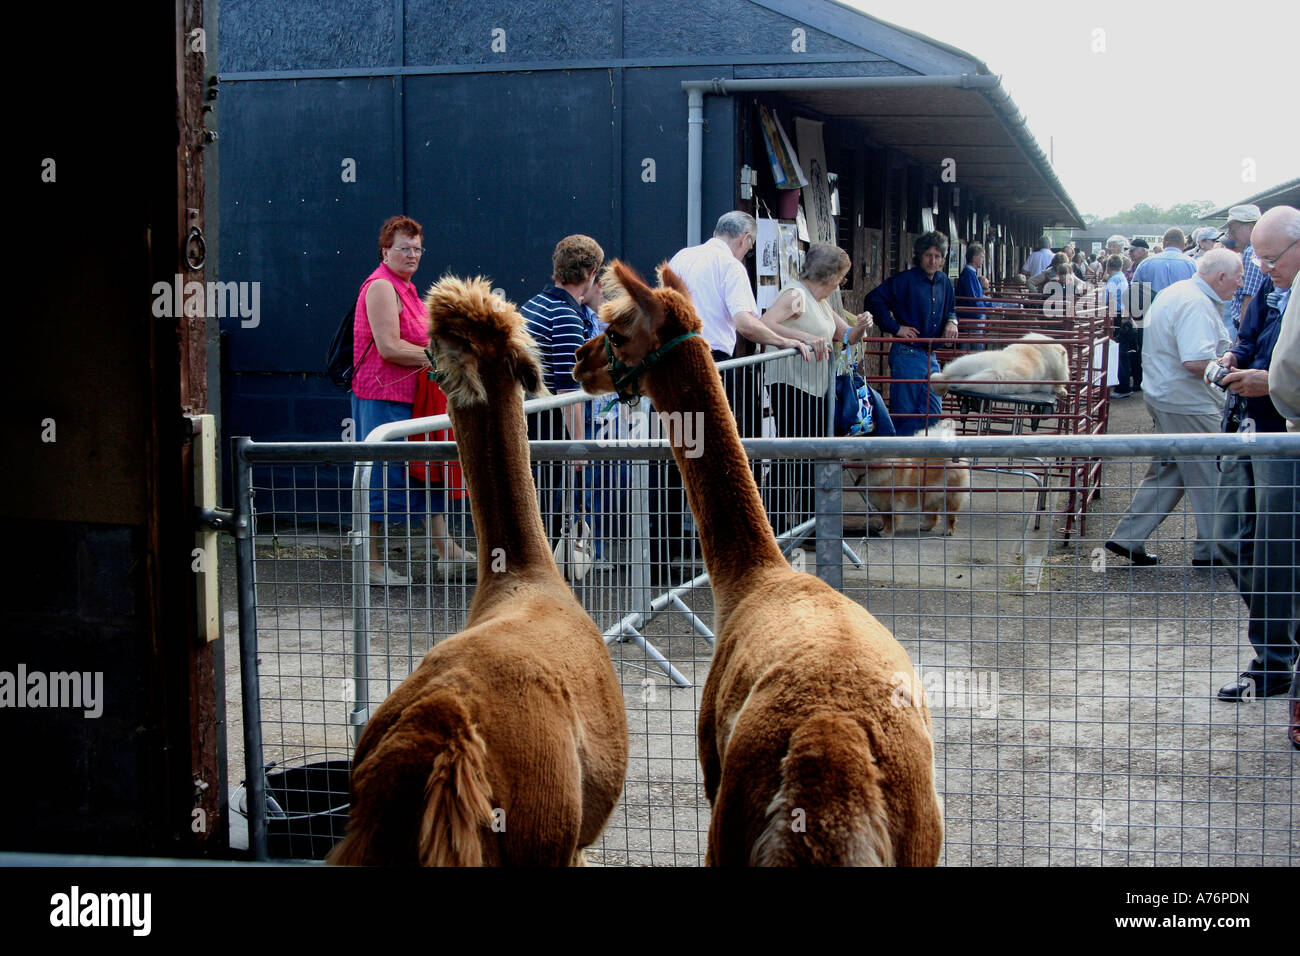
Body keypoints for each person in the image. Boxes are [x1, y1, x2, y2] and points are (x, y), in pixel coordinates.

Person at [1212, 206, 1299, 725]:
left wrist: (1271, 382)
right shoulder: (1270, 289)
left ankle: (1273, 661)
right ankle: (1283, 640)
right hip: (1248, 423)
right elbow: (1250, 332)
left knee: (1275, 552)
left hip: (1283, 434)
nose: (1263, 267)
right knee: (1230, 537)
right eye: (1258, 258)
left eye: (1271, 258)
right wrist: (1234, 361)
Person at [351, 214, 474, 586]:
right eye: (404, 248)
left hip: (415, 399)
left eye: (417, 249)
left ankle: (445, 551)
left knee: (427, 470)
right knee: (380, 478)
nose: (412, 255)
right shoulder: (380, 287)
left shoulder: (407, 288)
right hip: (383, 397)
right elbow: (390, 347)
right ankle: (371, 563)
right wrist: (444, 360)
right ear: (385, 250)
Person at [1103, 249, 1241, 566]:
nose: (1240, 283)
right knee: (1210, 475)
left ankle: (1128, 537)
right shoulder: (1196, 303)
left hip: (1167, 397)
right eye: (1238, 277)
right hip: (1188, 403)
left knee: (1170, 470)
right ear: (1221, 277)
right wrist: (1230, 376)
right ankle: (1213, 549)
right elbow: (1195, 360)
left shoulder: (1180, 293)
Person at [762, 242, 873, 528]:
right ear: (829, 275)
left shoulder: (820, 301)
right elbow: (765, 323)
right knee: (793, 455)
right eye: (841, 277)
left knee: (813, 456)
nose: (840, 284)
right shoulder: (795, 294)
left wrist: (861, 326)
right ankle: (777, 525)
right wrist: (802, 340)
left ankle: (812, 525)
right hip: (792, 383)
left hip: (815, 385)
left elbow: (845, 335)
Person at [520, 234, 603, 544]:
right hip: (548, 422)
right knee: (546, 506)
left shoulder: (535, 304)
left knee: (538, 502)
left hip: (532, 416)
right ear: (593, 273)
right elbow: (569, 392)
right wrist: (579, 447)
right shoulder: (567, 317)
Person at [867, 231, 958, 436]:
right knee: (905, 413)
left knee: (933, 412)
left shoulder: (945, 281)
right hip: (907, 353)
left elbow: (951, 307)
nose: (932, 260)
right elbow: (873, 299)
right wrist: (895, 328)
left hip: (931, 355)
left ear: (943, 259)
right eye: (928, 255)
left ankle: (911, 457)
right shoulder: (904, 280)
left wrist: (952, 321)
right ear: (919, 256)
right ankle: (902, 460)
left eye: (937, 256)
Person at [1220, 204, 1264, 341]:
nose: (1230, 236)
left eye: (1233, 231)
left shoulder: (1252, 252)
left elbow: (1248, 299)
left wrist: (1241, 339)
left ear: (1250, 227)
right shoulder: (1256, 249)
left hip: (1246, 326)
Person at [956, 242, 991, 349]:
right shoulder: (969, 274)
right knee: (973, 347)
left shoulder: (970, 274)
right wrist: (987, 307)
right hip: (972, 316)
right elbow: (973, 299)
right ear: (974, 258)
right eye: (981, 257)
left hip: (972, 315)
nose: (983, 260)